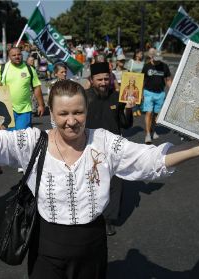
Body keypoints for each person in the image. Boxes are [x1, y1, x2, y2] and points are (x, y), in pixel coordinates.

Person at [0, 75, 199, 278]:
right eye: (63, 114)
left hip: (91, 244)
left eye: (78, 112)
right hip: (46, 244)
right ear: (51, 113)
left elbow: (150, 160)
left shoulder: (103, 141)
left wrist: (198, 149)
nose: (71, 120)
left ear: (86, 111)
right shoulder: (32, 141)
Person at [86, 62, 134, 236]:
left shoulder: (117, 97)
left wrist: (128, 110)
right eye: (99, 79)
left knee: (115, 184)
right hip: (89, 148)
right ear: (91, 80)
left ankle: (108, 220)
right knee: (91, 183)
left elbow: (125, 124)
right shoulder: (84, 97)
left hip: (113, 148)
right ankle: (91, 217)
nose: (104, 83)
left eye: (107, 79)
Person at [0, 47, 45, 130]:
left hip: (24, 109)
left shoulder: (29, 69)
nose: (17, 56)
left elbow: (36, 87)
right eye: (14, 55)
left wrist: (41, 105)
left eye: (19, 54)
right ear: (9, 57)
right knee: (8, 137)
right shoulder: (2, 69)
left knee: (22, 136)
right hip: (6, 110)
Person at [141, 48, 172, 144]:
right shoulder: (147, 66)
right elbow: (142, 79)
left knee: (155, 115)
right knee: (148, 113)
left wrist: (172, 91)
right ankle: (147, 135)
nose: (158, 60)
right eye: (156, 58)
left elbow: (168, 80)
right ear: (152, 56)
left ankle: (153, 130)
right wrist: (140, 93)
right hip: (148, 92)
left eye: (159, 58)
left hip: (160, 94)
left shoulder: (164, 66)